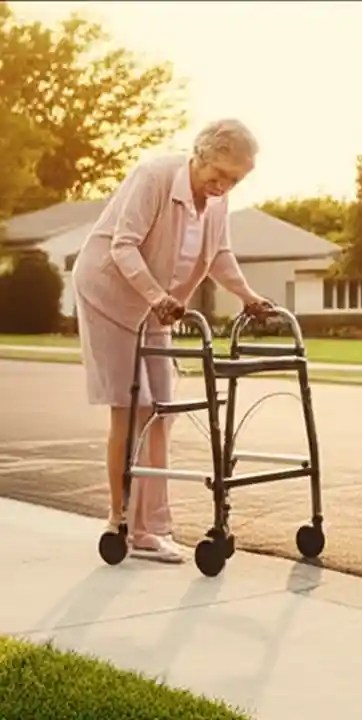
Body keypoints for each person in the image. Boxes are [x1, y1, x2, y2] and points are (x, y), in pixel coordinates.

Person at [71, 118, 273, 563]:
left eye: (234, 179)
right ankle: (118, 520)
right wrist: (157, 297)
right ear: (198, 156)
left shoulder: (217, 205)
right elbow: (123, 246)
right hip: (110, 295)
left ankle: (151, 529)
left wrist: (251, 298)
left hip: (157, 304)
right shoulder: (154, 177)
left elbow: (219, 256)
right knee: (130, 407)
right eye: (217, 173)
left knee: (163, 407)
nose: (222, 185)